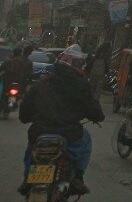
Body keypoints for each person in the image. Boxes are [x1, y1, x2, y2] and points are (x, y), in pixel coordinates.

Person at [18, 45, 104, 196]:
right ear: (77, 66)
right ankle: (78, 177)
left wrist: (27, 118)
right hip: (70, 136)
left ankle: (27, 178)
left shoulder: (41, 83)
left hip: (40, 133)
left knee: (31, 149)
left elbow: (24, 112)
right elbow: (95, 111)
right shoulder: (82, 85)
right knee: (87, 140)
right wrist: (97, 116)